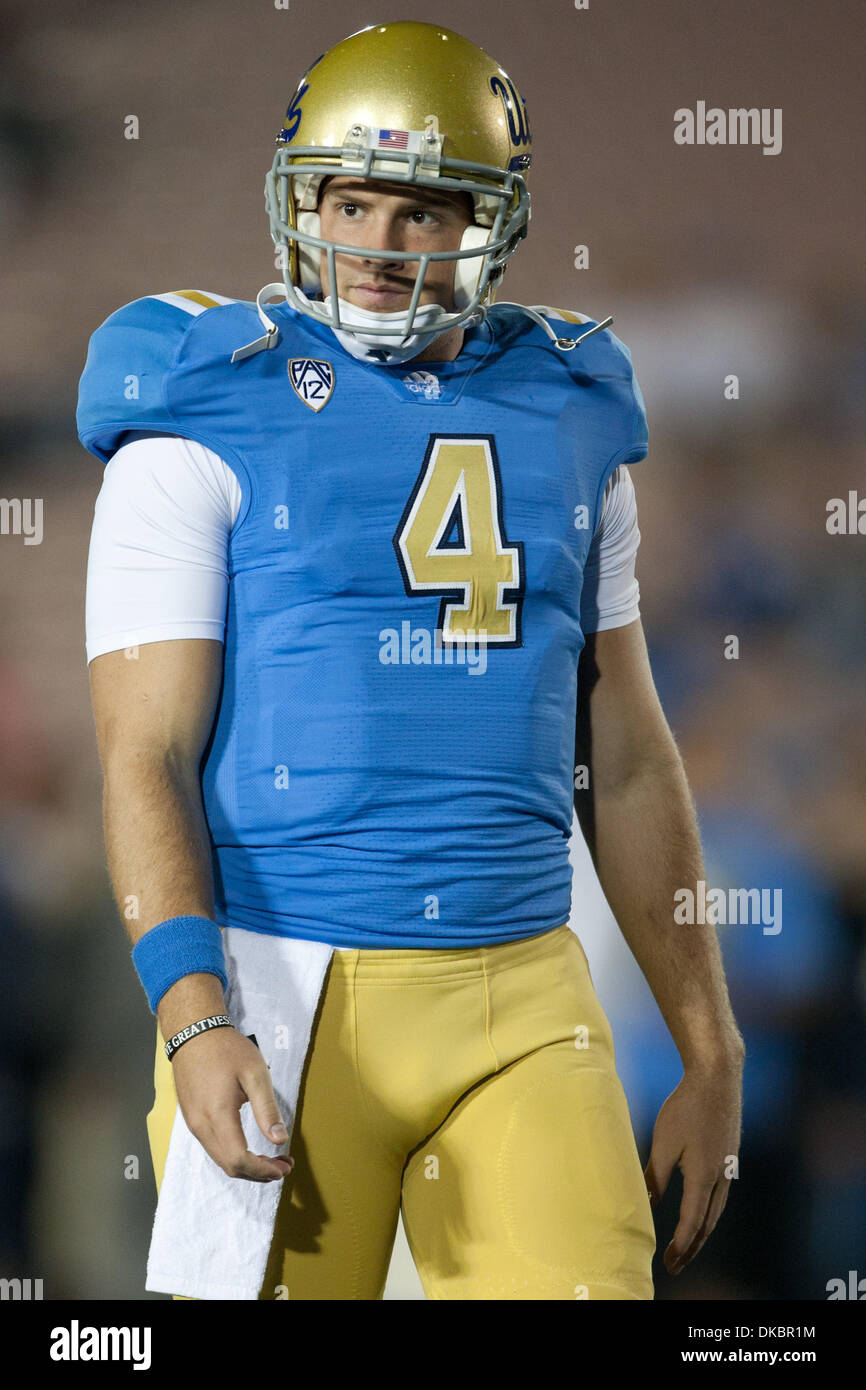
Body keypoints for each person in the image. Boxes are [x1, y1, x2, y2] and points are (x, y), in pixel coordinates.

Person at [78, 20, 744, 1300]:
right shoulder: (199, 404)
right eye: (354, 199)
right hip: (288, 979)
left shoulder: (570, 409)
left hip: (524, 986)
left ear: (489, 228)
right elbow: (142, 751)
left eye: (427, 211)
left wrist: (706, 1047)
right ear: (297, 201)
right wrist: (194, 1012)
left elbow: (630, 752)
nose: (382, 246)